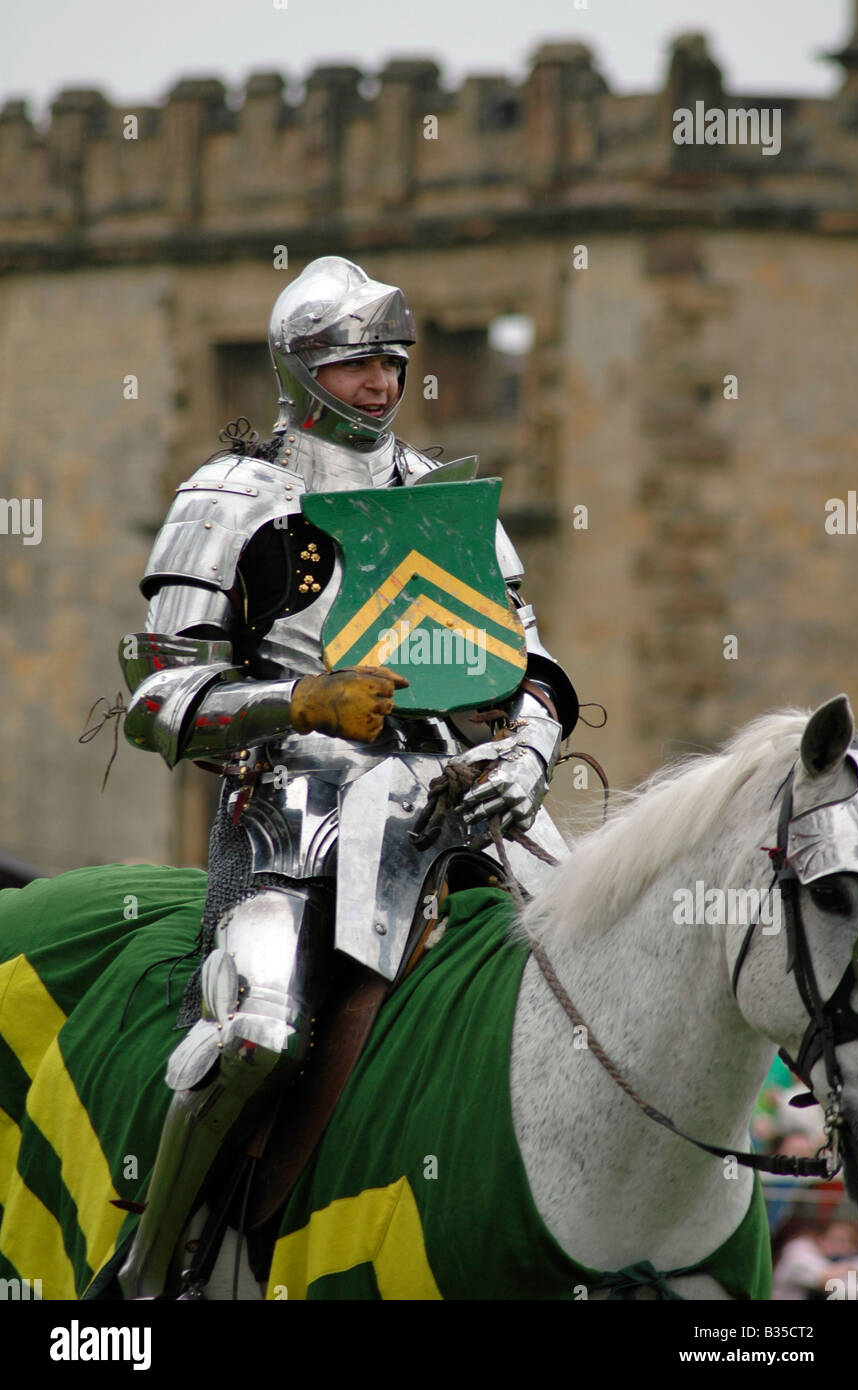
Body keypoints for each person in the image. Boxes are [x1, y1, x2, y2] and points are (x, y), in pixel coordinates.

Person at [117, 255, 578, 1298]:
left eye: (392, 364)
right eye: (355, 363)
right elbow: (155, 701)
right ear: (300, 369)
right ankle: (158, 1274)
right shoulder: (231, 498)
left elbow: (530, 667)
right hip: (291, 814)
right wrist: (299, 702)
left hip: (459, 801)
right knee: (258, 1030)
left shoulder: (444, 503)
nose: (380, 385)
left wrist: (527, 753)